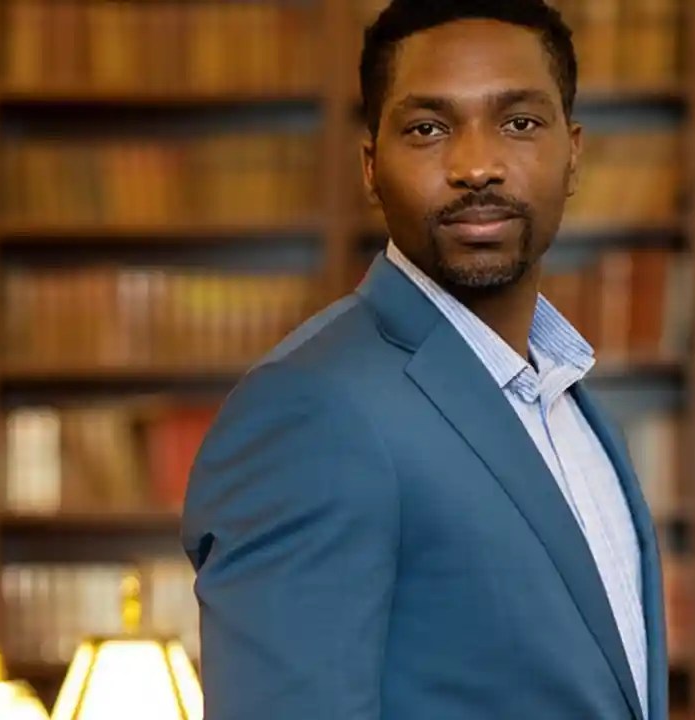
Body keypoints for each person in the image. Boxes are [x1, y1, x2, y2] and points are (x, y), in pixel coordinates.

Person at [180, 1, 668, 718]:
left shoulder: (574, 408)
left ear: (573, 154)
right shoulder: (310, 410)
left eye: (520, 123)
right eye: (428, 128)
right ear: (371, 168)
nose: (476, 165)